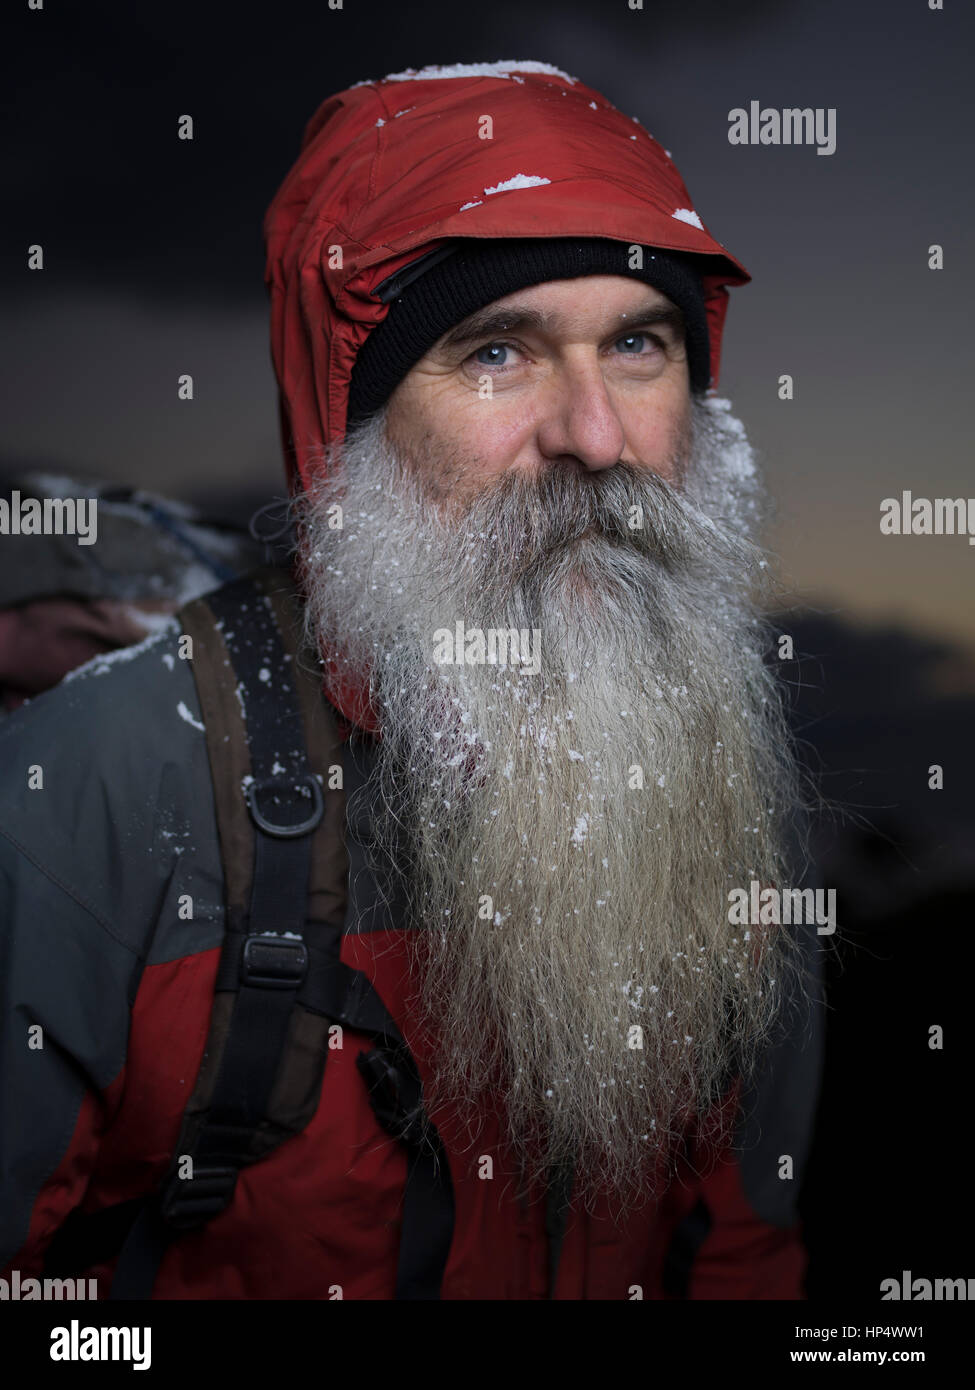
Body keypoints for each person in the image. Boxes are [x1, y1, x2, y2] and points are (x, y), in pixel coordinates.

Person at [0, 59, 823, 1300]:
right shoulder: (103, 784)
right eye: (499, 352)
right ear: (349, 424)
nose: (595, 437)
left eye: (639, 344)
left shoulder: (715, 768)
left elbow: (743, 1247)